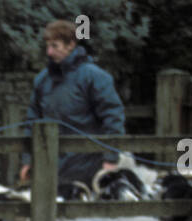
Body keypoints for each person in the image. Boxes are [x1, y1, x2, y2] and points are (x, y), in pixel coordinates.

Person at [19, 19, 124, 187]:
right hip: (49, 166)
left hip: (88, 167)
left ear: (71, 45)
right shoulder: (42, 80)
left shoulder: (95, 78)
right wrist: (27, 160)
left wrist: (111, 159)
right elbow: (32, 122)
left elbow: (113, 118)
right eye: (47, 46)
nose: (49, 52)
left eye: (55, 46)